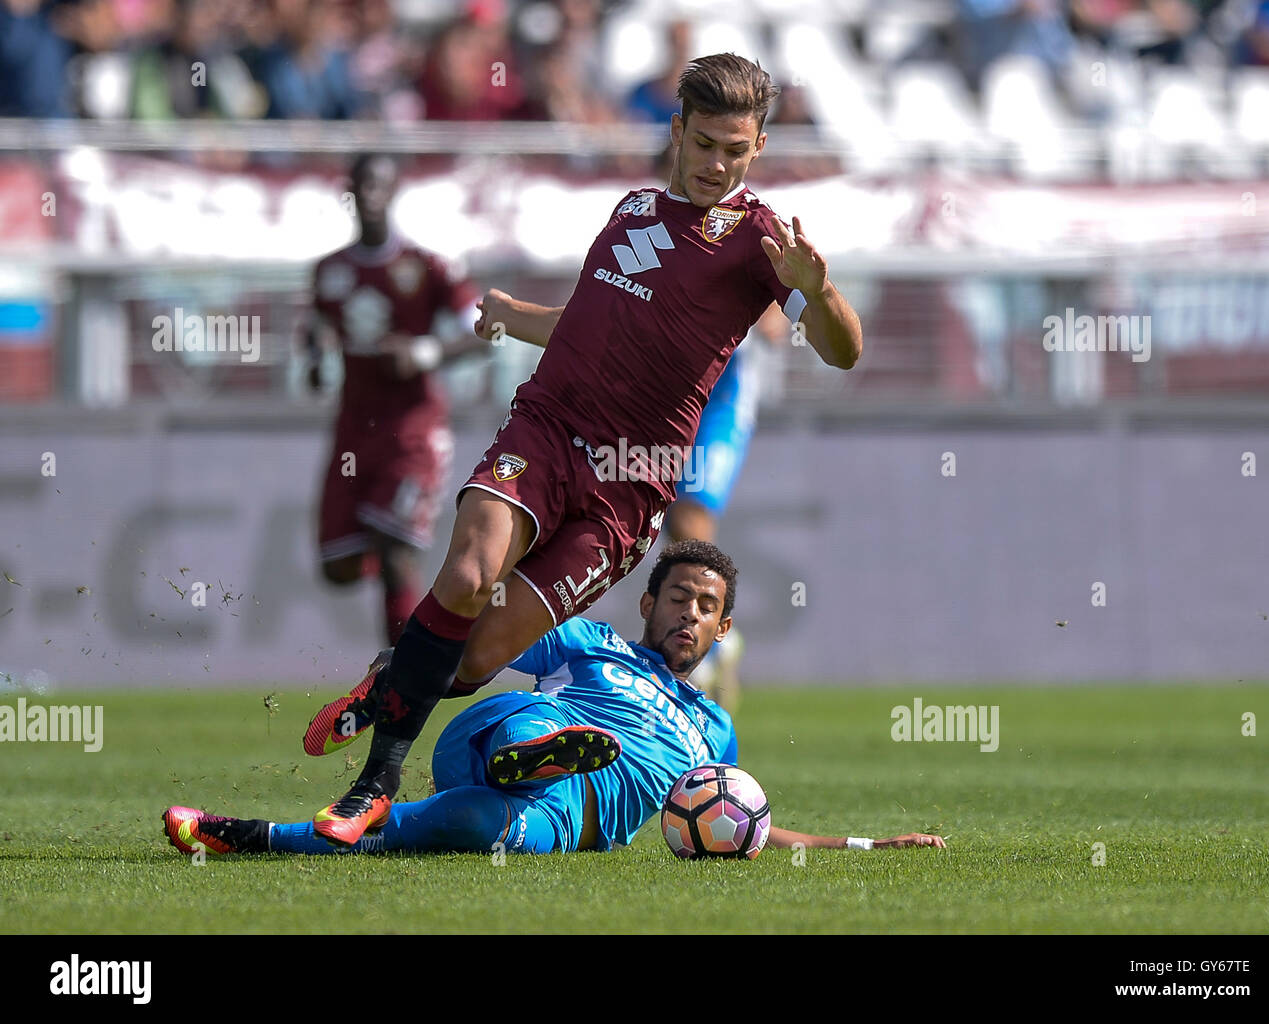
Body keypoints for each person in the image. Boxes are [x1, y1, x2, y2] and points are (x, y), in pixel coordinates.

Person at [303, 52, 864, 848]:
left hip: (629, 484)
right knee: (466, 577)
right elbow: (591, 322)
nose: (716, 165)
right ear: (677, 131)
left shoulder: (762, 240)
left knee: (485, 649)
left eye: (735, 151)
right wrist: (511, 314)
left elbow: (844, 352)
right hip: (549, 428)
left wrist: (822, 288)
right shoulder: (633, 210)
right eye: (704, 144)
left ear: (758, 149)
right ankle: (373, 785)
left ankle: (391, 682)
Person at [164, 543, 944, 857]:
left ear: (723, 627)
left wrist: (866, 846)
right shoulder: (589, 642)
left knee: (467, 827)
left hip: (576, 819)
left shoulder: (717, 729)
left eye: (706, 608)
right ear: (647, 605)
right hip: (487, 736)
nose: (688, 616)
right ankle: (528, 754)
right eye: (677, 599)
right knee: (540, 719)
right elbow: (467, 654)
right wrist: (394, 675)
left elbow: (740, 817)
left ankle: (249, 834)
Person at [305, 153, 483, 646]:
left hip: (414, 427)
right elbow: (318, 331)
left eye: (381, 186)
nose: (371, 197)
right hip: (353, 429)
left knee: (393, 553)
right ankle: (398, 571)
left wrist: (424, 351)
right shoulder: (329, 271)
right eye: (362, 187)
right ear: (350, 194)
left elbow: (486, 330)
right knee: (338, 567)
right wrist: (317, 357)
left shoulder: (426, 266)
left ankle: (401, 672)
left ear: (395, 191)